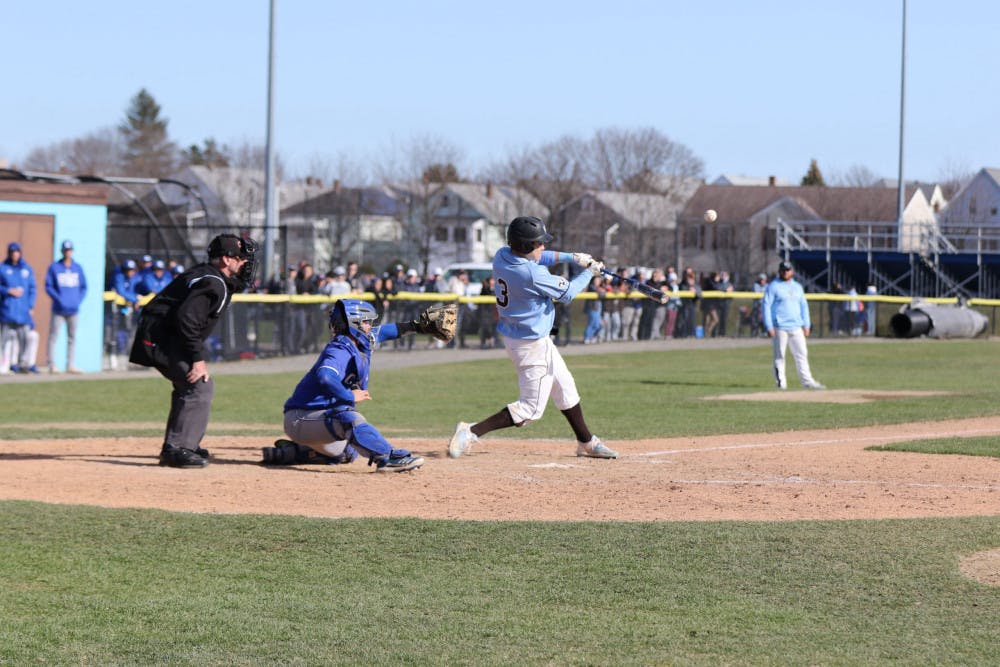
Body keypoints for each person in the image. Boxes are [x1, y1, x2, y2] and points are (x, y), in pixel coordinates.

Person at [448, 216, 618, 460]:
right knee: (530, 409)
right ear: (527, 246)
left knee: (565, 388)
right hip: (531, 344)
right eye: (539, 243)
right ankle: (471, 431)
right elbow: (568, 292)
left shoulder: (503, 255)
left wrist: (573, 257)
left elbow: (541, 256)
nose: (543, 247)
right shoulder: (531, 275)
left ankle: (587, 443)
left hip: (525, 337)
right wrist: (590, 273)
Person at [260, 299, 454, 472]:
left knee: (349, 452)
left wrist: (416, 326)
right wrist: (349, 396)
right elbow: (325, 377)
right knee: (350, 419)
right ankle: (388, 457)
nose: (370, 326)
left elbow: (386, 332)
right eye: (367, 322)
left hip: (317, 420)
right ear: (355, 324)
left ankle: (296, 453)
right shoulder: (339, 349)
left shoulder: (359, 342)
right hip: (301, 418)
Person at [128, 234, 258, 468]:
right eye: (241, 259)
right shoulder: (213, 283)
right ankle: (177, 448)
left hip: (162, 335)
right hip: (160, 338)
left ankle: (181, 443)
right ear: (227, 260)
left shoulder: (210, 276)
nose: (245, 264)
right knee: (199, 385)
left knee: (189, 385)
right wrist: (197, 359)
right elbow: (186, 319)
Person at [762, 260, 825, 390]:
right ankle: (781, 384)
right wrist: (769, 326)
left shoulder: (797, 287)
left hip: (797, 326)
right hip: (780, 327)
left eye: (788, 270)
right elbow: (766, 306)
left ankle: (807, 381)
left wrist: (806, 324)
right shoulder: (773, 286)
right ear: (779, 271)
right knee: (780, 356)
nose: (785, 272)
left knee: (802, 354)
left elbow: (803, 306)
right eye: (783, 270)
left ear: (792, 271)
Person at [44, 239, 87, 374]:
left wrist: (77, 300)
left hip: (73, 309)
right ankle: (52, 365)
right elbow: (48, 286)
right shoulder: (54, 267)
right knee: (53, 336)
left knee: (72, 337)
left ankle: (70, 365)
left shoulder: (77, 267)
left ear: (72, 251)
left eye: (69, 250)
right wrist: (59, 299)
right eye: (65, 250)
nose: (67, 252)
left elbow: (84, 287)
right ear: (62, 251)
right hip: (59, 309)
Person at [0, 242, 37, 375]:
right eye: (12, 252)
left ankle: (24, 364)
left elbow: (33, 288)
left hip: (23, 312)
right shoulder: (3, 268)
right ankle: (5, 364)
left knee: (25, 340)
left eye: (16, 252)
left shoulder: (26, 269)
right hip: (7, 311)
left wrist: (31, 305)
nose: (14, 254)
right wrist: (8, 290)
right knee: (4, 340)